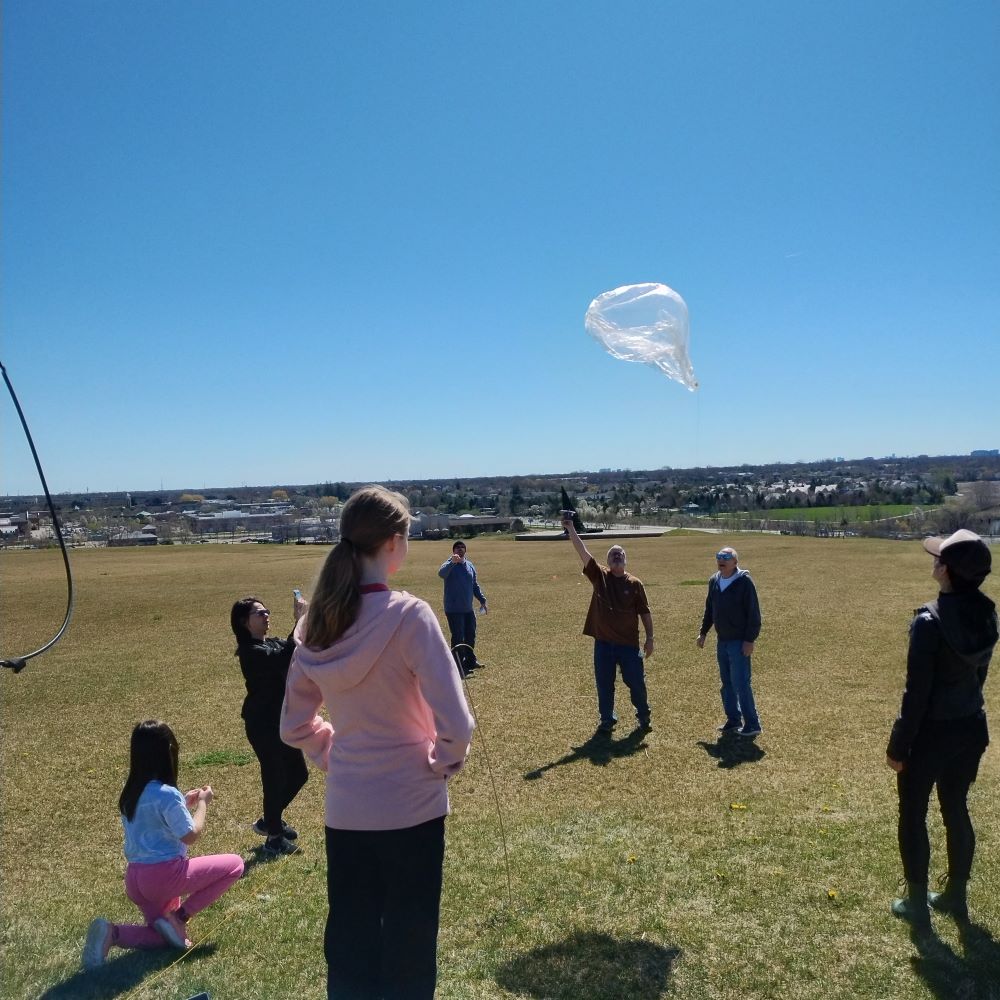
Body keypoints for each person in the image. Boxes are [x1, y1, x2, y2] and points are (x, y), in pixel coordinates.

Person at [281, 486, 475, 1000]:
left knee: (350, 943)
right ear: (394, 542)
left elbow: (294, 725)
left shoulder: (315, 624)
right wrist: (443, 760)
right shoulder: (411, 616)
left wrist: (331, 752)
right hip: (413, 807)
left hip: (346, 809)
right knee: (410, 946)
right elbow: (457, 722)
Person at [887, 529, 996, 928]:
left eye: (938, 559)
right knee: (956, 808)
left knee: (912, 813)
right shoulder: (988, 610)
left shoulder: (928, 622)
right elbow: (978, 676)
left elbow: (916, 694)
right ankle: (955, 897)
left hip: (931, 734)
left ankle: (916, 904)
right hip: (971, 727)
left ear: (946, 571)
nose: (933, 562)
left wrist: (898, 745)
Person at [82, 720, 244, 968]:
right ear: (168, 752)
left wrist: (183, 803)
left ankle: (112, 933)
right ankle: (180, 916)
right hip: (164, 876)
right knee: (235, 865)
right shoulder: (166, 793)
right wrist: (202, 803)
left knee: (162, 938)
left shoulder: (131, 794)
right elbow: (190, 834)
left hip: (136, 879)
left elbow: (154, 822)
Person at [231, 594, 309, 857]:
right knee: (274, 777)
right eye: (260, 613)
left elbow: (295, 649)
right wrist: (299, 621)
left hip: (283, 721)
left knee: (299, 774)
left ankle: (269, 821)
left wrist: (306, 621)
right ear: (244, 622)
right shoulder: (251, 653)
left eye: (267, 612)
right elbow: (286, 655)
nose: (266, 616)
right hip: (263, 724)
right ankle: (273, 839)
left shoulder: (270, 643)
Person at [562, 512, 653, 734]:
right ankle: (607, 718)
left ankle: (643, 715)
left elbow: (645, 613)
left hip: (629, 645)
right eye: (612, 554)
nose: (616, 556)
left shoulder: (635, 584)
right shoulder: (599, 576)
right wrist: (571, 528)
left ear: (625, 559)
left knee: (636, 683)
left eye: (620, 554)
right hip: (603, 644)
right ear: (608, 560)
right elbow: (583, 552)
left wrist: (650, 638)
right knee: (604, 685)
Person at [696, 546, 763, 737]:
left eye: (726, 557)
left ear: (735, 562)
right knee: (727, 683)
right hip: (722, 641)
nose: (721, 560)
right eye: (719, 556)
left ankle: (752, 724)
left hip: (739, 642)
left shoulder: (744, 582)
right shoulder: (714, 581)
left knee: (741, 682)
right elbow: (710, 609)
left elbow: (754, 614)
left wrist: (749, 640)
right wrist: (703, 633)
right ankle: (733, 720)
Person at [438, 540, 488, 674]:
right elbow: (441, 573)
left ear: (465, 550)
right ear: (453, 551)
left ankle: (470, 661)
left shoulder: (470, 565)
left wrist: (482, 599)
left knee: (470, 635)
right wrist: (452, 563)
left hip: (468, 609)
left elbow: (474, 585)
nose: (460, 549)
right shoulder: (449, 564)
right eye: (457, 548)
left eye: (462, 547)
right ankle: (457, 665)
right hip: (454, 609)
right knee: (458, 637)